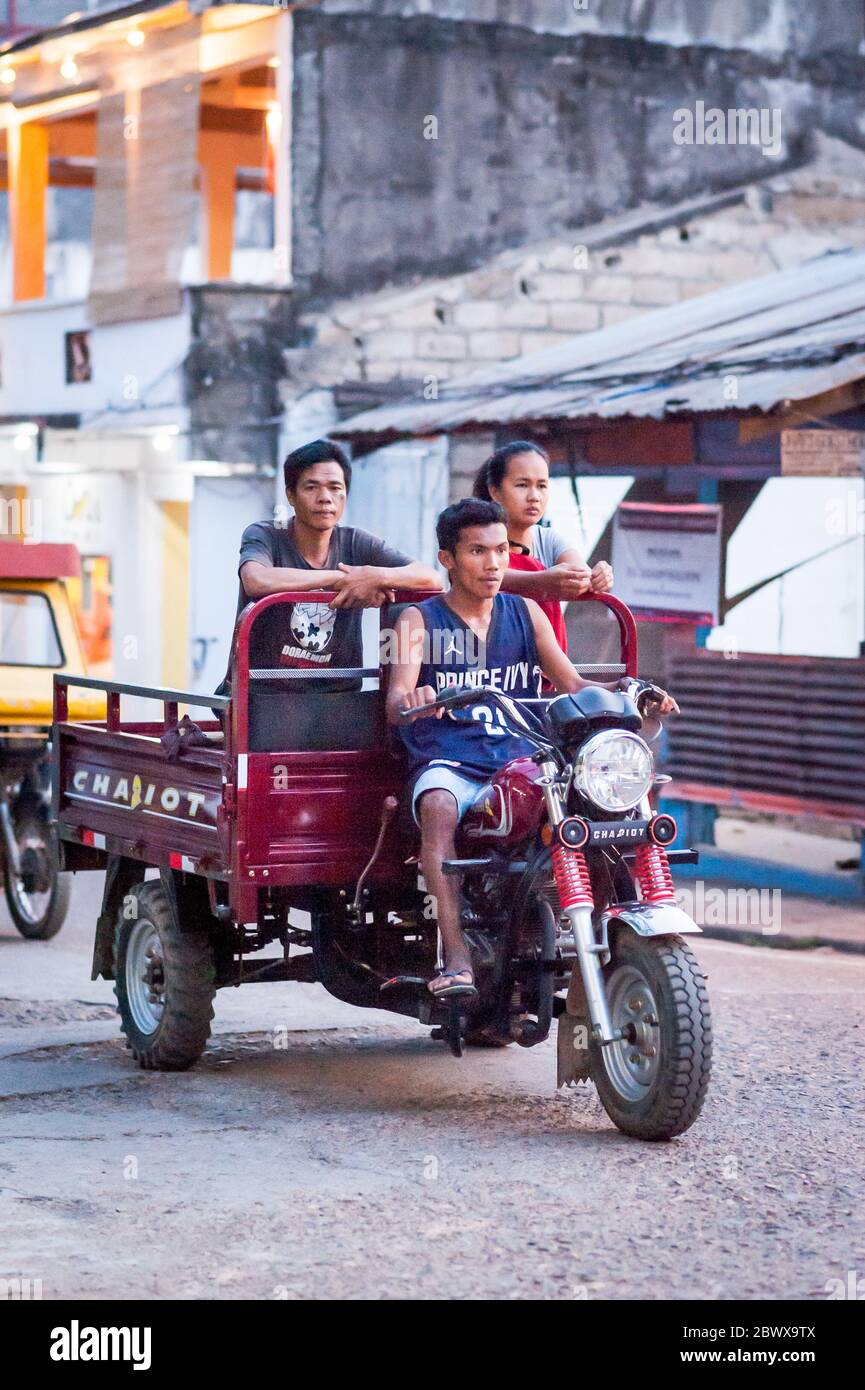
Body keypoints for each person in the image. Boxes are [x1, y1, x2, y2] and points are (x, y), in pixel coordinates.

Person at [386, 497, 678, 998]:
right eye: (477, 551)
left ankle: (609, 928)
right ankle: (455, 956)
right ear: (448, 558)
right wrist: (415, 697)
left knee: (602, 802)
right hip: (450, 762)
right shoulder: (419, 621)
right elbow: (395, 702)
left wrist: (635, 697)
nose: (494, 563)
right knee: (436, 807)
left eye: (500, 550)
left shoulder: (524, 612)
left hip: (522, 757)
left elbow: (572, 683)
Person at [224, 438, 442, 690]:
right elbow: (256, 580)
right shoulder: (266, 534)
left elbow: (431, 577)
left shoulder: (356, 542)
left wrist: (373, 576)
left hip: (337, 694)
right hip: (264, 694)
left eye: (335, 487)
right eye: (312, 487)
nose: (325, 498)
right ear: (290, 495)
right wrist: (339, 579)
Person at [473, 440, 613, 652]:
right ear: (495, 491)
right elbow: (472, 576)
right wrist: (541, 581)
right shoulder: (474, 535)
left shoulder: (549, 539)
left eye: (542, 486)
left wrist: (598, 575)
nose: (534, 497)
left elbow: (580, 575)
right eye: (522, 485)